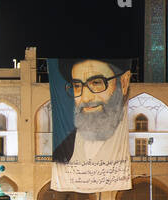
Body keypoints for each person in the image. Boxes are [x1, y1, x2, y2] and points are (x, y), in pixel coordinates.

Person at [52, 59, 132, 189]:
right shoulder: (61, 153)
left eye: (96, 83)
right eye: (77, 86)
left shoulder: (125, 142)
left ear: (123, 82)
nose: (86, 98)